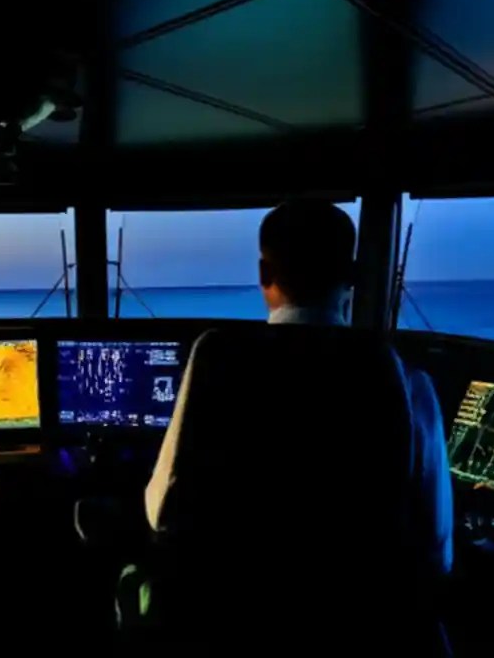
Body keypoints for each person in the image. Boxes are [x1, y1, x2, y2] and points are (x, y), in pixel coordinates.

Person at [144, 199, 453, 575]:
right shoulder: (409, 385)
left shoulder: (216, 358)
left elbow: (164, 512)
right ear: (352, 275)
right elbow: (436, 550)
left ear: (263, 272)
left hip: (221, 618)